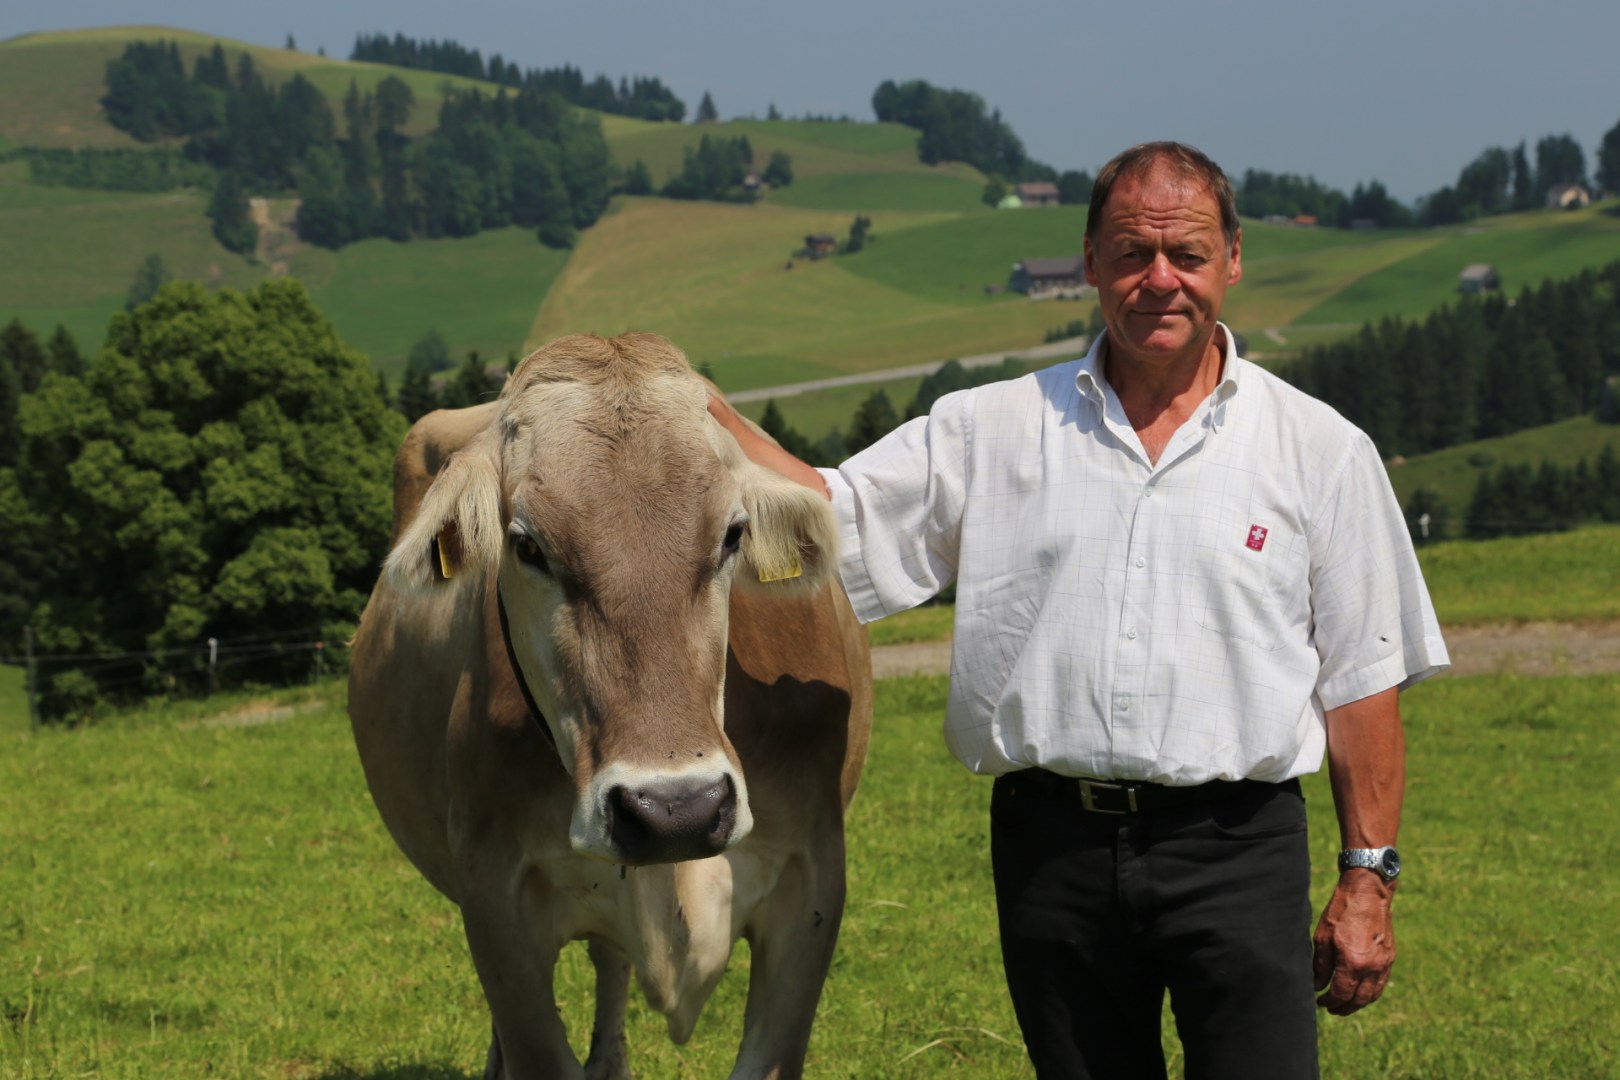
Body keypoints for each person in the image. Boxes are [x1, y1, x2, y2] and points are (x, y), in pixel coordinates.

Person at [707, 141, 1448, 1078]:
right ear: (1091, 261)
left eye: (1187, 254)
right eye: (1134, 253)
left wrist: (1368, 878)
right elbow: (828, 511)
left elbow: (1362, 680)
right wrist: (694, 403)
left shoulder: (1321, 450)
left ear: (1233, 260)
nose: (1160, 280)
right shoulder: (991, 430)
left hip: (1237, 846)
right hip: (1052, 847)